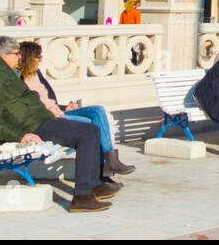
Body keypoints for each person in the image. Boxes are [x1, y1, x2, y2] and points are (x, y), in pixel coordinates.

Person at [0, 36, 117, 212]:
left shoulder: (4, 74)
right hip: (34, 127)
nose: (20, 57)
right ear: (4, 56)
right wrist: (21, 135)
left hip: (40, 121)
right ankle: (83, 196)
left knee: (91, 129)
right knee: (88, 133)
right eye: (16, 54)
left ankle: (93, 185)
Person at [18, 41, 134, 175]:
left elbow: (48, 100)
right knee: (93, 126)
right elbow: (30, 106)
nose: (40, 60)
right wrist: (51, 112)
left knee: (97, 110)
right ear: (29, 58)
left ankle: (110, 159)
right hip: (49, 118)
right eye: (38, 57)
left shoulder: (36, 74)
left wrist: (65, 107)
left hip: (59, 111)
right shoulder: (20, 80)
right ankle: (106, 164)